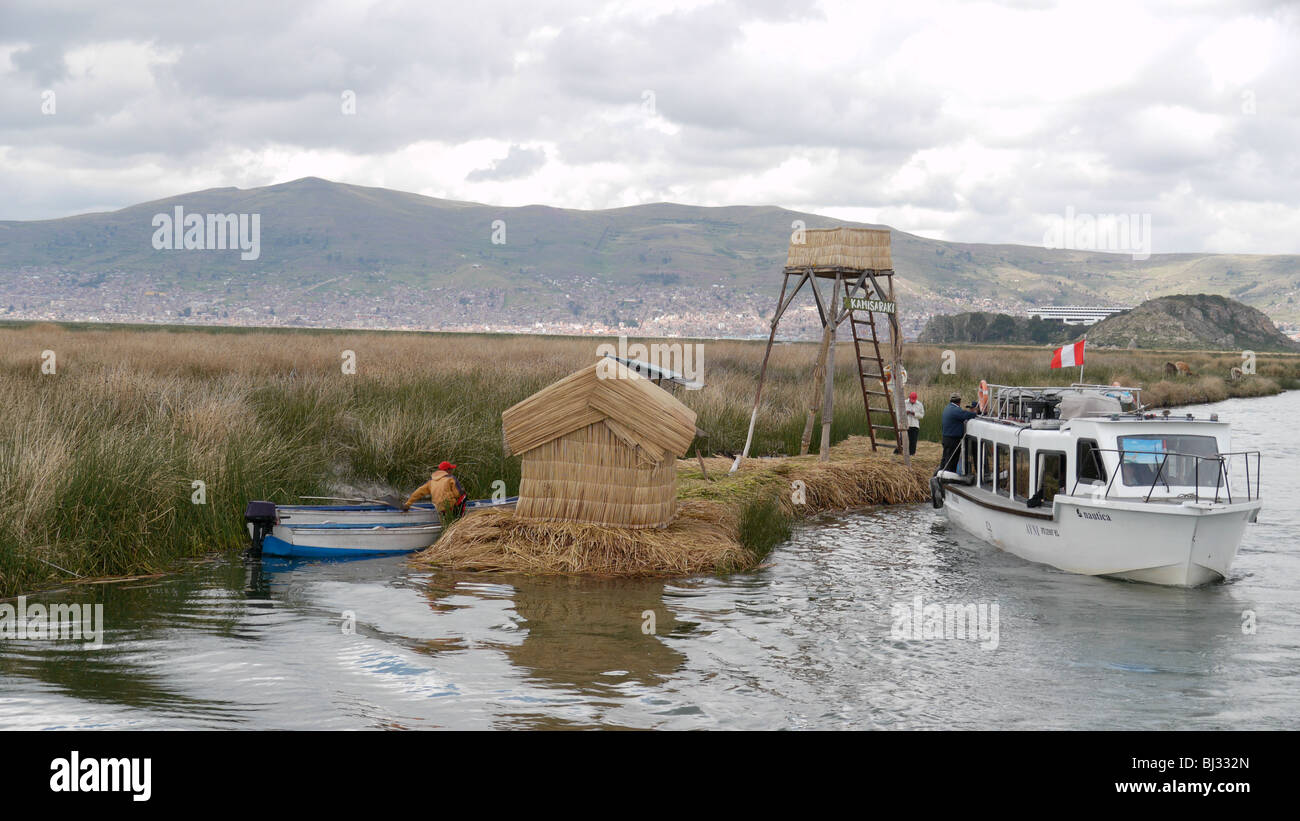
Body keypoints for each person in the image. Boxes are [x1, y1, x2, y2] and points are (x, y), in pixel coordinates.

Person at [402, 461, 467, 517]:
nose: (451, 471)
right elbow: (457, 494)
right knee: (464, 495)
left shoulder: (431, 481)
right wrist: (462, 491)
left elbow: (418, 493)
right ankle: (460, 517)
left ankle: (445, 516)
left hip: (440, 509)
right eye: (450, 469)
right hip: (450, 508)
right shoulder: (451, 478)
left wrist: (408, 504)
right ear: (447, 470)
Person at [938, 393, 978, 474]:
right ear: (959, 401)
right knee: (952, 460)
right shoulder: (955, 410)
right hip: (953, 440)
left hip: (946, 438)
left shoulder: (947, 408)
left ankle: (940, 475)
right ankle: (948, 477)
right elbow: (965, 414)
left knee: (945, 459)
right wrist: (976, 413)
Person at [904, 391, 924, 456]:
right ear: (909, 397)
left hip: (915, 425)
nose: (912, 401)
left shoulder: (920, 404)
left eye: (914, 400)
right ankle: (898, 453)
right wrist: (905, 413)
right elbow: (899, 412)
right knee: (903, 440)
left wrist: (914, 414)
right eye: (911, 400)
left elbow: (922, 415)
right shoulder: (904, 403)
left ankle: (912, 455)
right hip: (906, 424)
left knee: (913, 442)